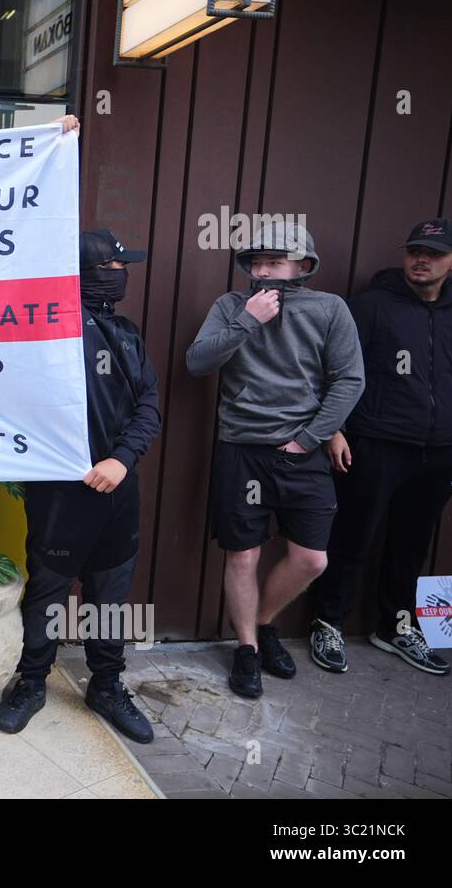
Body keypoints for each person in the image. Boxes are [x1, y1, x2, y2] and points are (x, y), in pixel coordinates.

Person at [0, 228, 160, 744]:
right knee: (47, 590)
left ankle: (107, 685)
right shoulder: (49, 334)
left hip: (118, 491)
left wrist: (122, 459)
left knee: (108, 595)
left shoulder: (127, 332)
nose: (122, 274)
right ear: (89, 275)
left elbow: (149, 404)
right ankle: (32, 682)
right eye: (113, 268)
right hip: (62, 495)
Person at [186, 222, 364, 698]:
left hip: (300, 452)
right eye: (257, 262)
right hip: (241, 448)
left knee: (311, 559)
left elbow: (348, 380)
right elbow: (198, 361)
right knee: (243, 554)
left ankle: (265, 625)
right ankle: (246, 649)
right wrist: (249, 319)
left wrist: (312, 438)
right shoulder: (230, 306)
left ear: (303, 266)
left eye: (275, 261)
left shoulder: (330, 309)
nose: (263, 270)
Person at [309, 219, 452, 676]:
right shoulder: (370, 307)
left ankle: (393, 627)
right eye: (414, 250)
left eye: (432, 252)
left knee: (411, 544)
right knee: (353, 536)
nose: (421, 259)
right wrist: (334, 431)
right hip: (374, 444)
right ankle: (328, 623)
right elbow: (330, 370)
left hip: (439, 452)